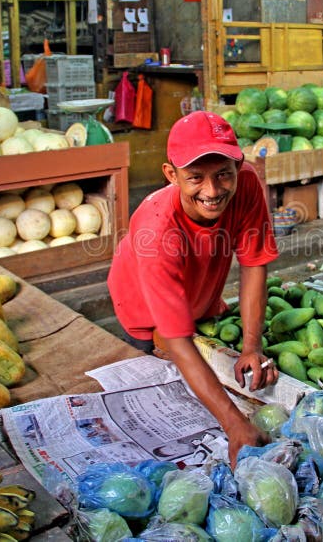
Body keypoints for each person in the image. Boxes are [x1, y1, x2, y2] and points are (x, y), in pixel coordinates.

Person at [107, 110, 279, 465]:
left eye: (223, 175)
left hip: (200, 297)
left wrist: (252, 346)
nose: (213, 191)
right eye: (196, 178)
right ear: (171, 175)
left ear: (239, 166)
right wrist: (235, 426)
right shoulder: (156, 230)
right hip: (144, 312)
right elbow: (176, 339)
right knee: (163, 376)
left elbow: (254, 264)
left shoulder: (246, 184)